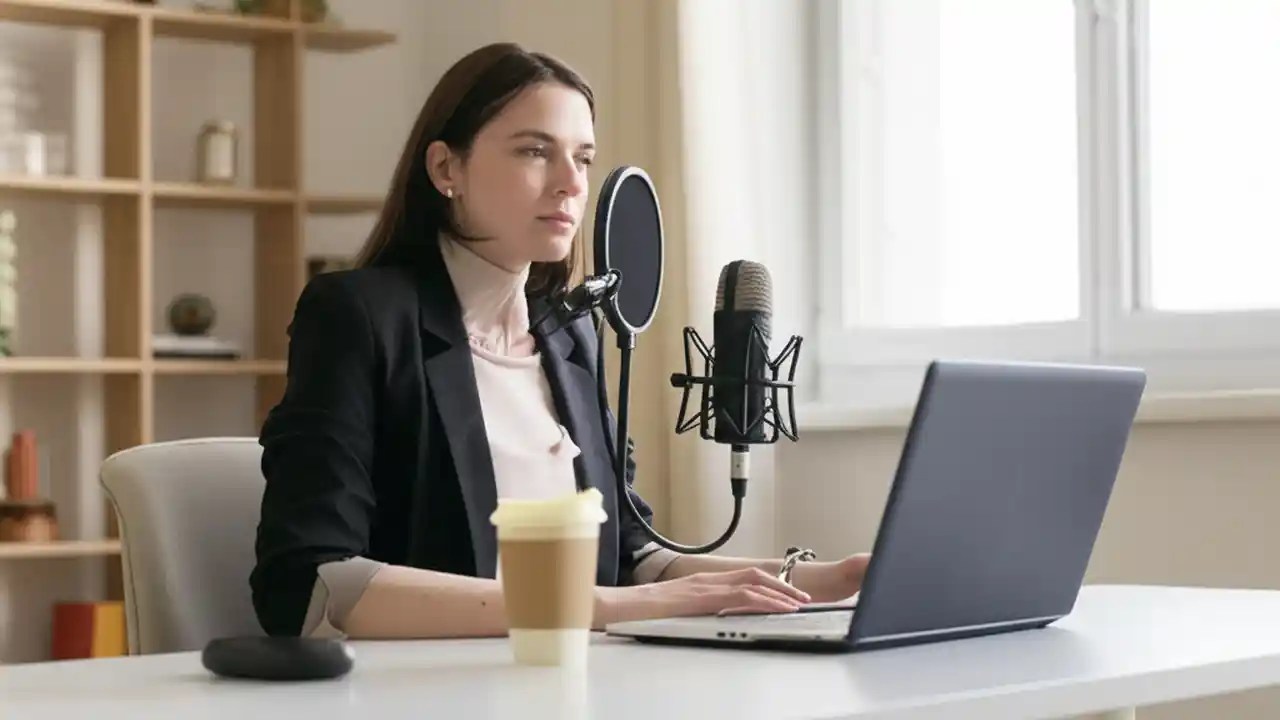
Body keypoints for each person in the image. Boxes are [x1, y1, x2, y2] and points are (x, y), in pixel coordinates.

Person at [249, 42, 869, 640]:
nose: (571, 183)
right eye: (534, 152)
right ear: (446, 168)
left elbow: (631, 556)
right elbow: (312, 580)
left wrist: (821, 580)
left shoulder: (569, 334)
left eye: (583, 157)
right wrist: (609, 607)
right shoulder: (357, 316)